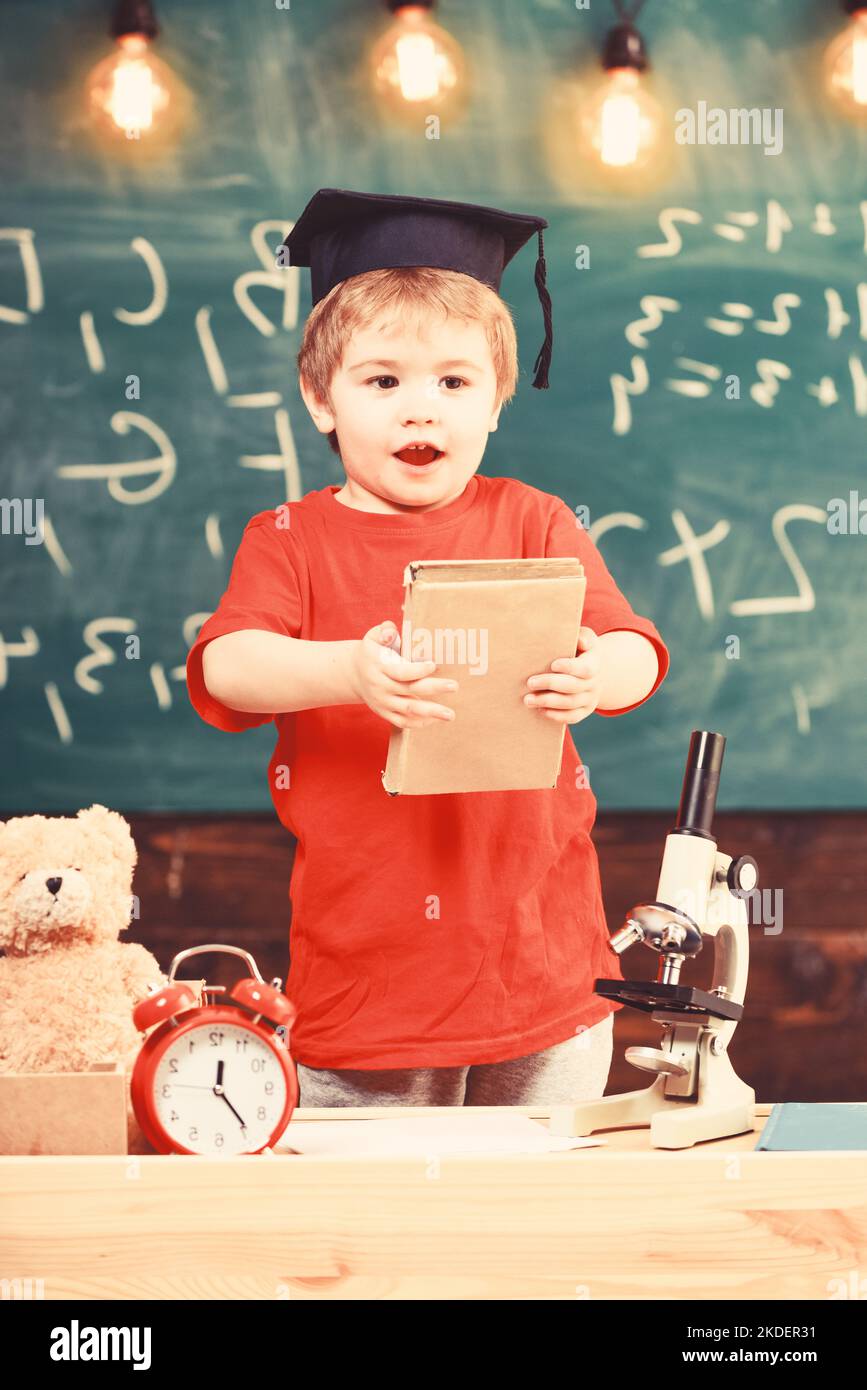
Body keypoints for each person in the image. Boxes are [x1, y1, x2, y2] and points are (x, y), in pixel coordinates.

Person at [186, 188, 670, 1108]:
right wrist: (345, 670)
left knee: (526, 1226)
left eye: (455, 382)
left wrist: (595, 672)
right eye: (383, 382)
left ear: (495, 401)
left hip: (544, 967)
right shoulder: (288, 537)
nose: (423, 412)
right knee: (382, 1237)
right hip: (371, 979)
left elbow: (636, 650)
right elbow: (227, 667)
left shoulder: (533, 520)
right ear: (319, 398)